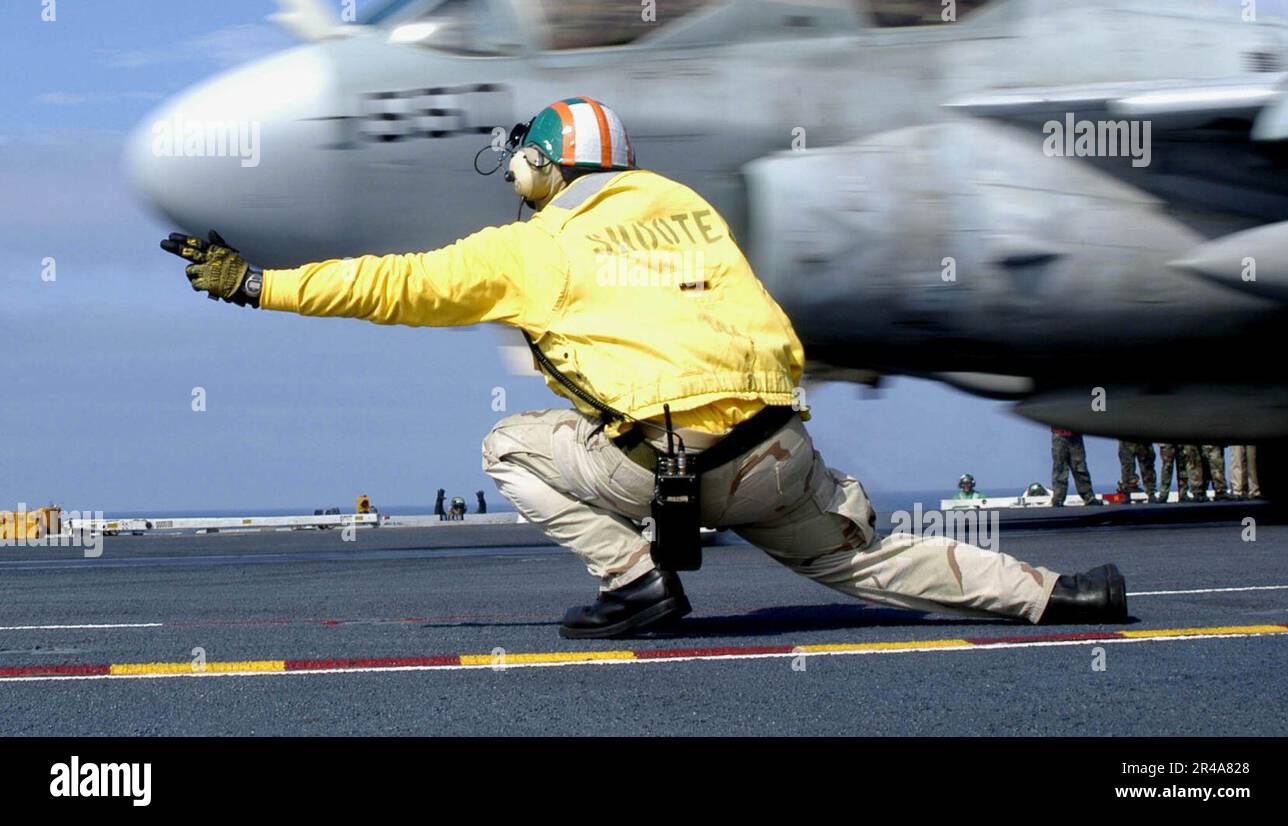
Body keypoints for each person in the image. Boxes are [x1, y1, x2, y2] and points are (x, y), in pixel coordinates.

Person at [160, 97, 1127, 637]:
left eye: (522, 163)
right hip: (780, 452)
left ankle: (635, 582)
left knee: (506, 446)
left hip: (667, 464)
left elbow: (395, 284)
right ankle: (1061, 596)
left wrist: (256, 284)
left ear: (545, 166)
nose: (515, 177)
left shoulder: (531, 244)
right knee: (870, 562)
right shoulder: (687, 208)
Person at [1050, 428, 1102, 506]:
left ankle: (1089, 497)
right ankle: (1058, 498)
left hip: (1074, 435)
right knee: (1060, 468)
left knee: (1080, 467)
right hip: (1060, 434)